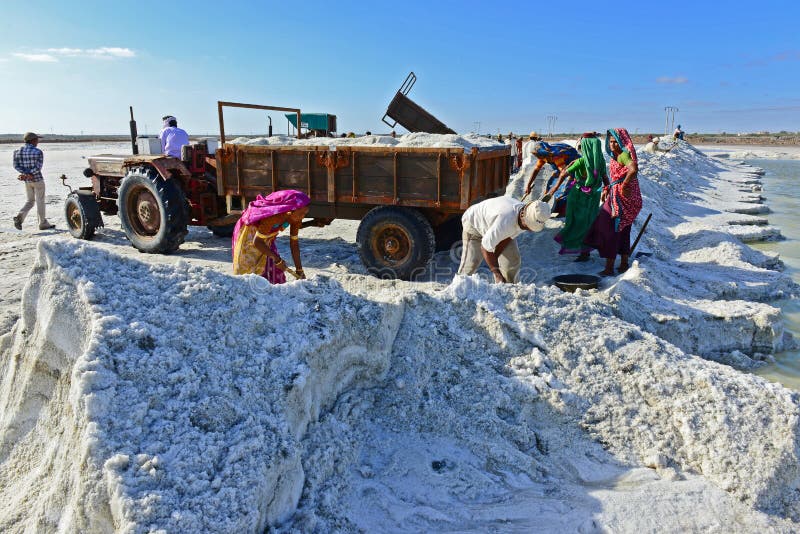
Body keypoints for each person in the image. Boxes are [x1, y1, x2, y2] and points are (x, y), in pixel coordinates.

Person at [584, 128, 642, 275]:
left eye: (616, 142)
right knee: (622, 230)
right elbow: (614, 179)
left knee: (610, 228)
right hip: (618, 196)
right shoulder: (615, 157)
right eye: (610, 142)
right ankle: (623, 264)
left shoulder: (623, 155)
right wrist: (607, 189)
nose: (613, 145)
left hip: (623, 199)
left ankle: (609, 268)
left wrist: (626, 184)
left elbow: (633, 168)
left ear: (622, 142)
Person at [457, 196, 551, 283]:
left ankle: (509, 287)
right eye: (528, 227)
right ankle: (458, 289)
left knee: (512, 260)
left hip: (496, 226)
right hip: (474, 225)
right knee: (471, 264)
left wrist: (495, 259)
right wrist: (497, 273)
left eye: (531, 228)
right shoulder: (506, 220)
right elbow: (485, 247)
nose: (529, 230)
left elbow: (507, 238)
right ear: (523, 216)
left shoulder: (528, 217)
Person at [232, 190, 311, 284]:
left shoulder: (296, 219)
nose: (302, 217)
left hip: (265, 238)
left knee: (274, 272)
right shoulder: (274, 217)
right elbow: (257, 242)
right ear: (290, 211)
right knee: (247, 272)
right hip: (249, 235)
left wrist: (299, 270)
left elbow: (294, 244)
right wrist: (277, 260)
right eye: (301, 213)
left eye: (305, 214)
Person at [550, 134, 608, 261]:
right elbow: (605, 179)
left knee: (576, 224)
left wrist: (554, 189)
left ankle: (580, 249)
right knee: (588, 222)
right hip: (593, 198)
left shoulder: (581, 161)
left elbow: (564, 173)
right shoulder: (600, 162)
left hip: (578, 198)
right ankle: (585, 252)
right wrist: (608, 190)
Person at [523, 140, 580, 216]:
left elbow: (564, 174)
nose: (537, 157)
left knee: (568, 188)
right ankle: (553, 205)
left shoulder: (556, 156)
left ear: (542, 153)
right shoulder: (543, 157)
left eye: (537, 155)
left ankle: (564, 211)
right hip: (562, 169)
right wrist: (528, 185)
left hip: (573, 168)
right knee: (550, 184)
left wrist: (555, 188)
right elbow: (536, 170)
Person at [12, 132, 55, 230]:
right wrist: (30, 174)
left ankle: (19, 218)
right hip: (37, 180)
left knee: (30, 201)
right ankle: (42, 223)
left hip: (27, 181)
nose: (38, 142)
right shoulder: (38, 152)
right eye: (37, 140)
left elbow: (16, 165)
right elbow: (38, 167)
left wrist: (25, 174)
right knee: (40, 201)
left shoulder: (17, 151)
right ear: (32, 140)